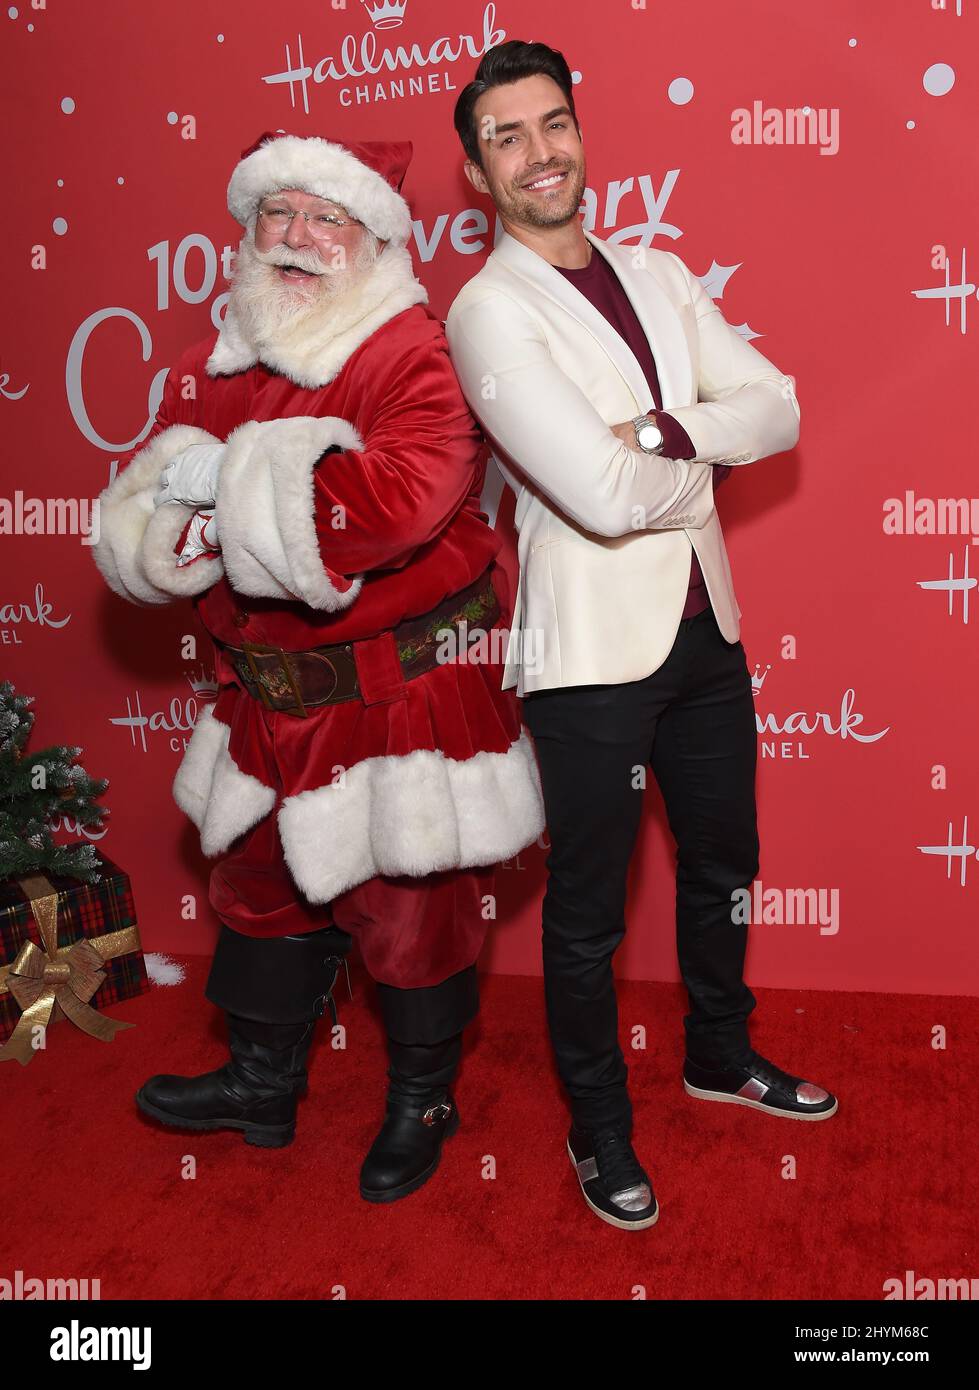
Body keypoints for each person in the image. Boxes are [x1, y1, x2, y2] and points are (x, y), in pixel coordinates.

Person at [91, 130, 545, 1203]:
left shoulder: (413, 351)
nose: (294, 238)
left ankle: (422, 1100)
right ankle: (260, 1084)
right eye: (274, 215)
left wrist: (231, 478)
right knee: (255, 889)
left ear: (372, 236)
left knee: (411, 907)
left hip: (395, 696)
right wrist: (179, 510)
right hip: (270, 692)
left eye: (321, 217)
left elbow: (395, 505)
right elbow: (160, 489)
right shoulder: (233, 348)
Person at [445, 41, 836, 1232]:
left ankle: (720, 1050)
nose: (536, 153)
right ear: (476, 172)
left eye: (549, 124)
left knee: (725, 865)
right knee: (588, 913)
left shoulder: (660, 275)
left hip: (703, 629)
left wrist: (656, 433)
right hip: (593, 664)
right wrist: (690, 467)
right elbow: (600, 499)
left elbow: (778, 404)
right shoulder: (486, 310)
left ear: (579, 132)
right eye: (504, 137)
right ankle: (598, 1126)